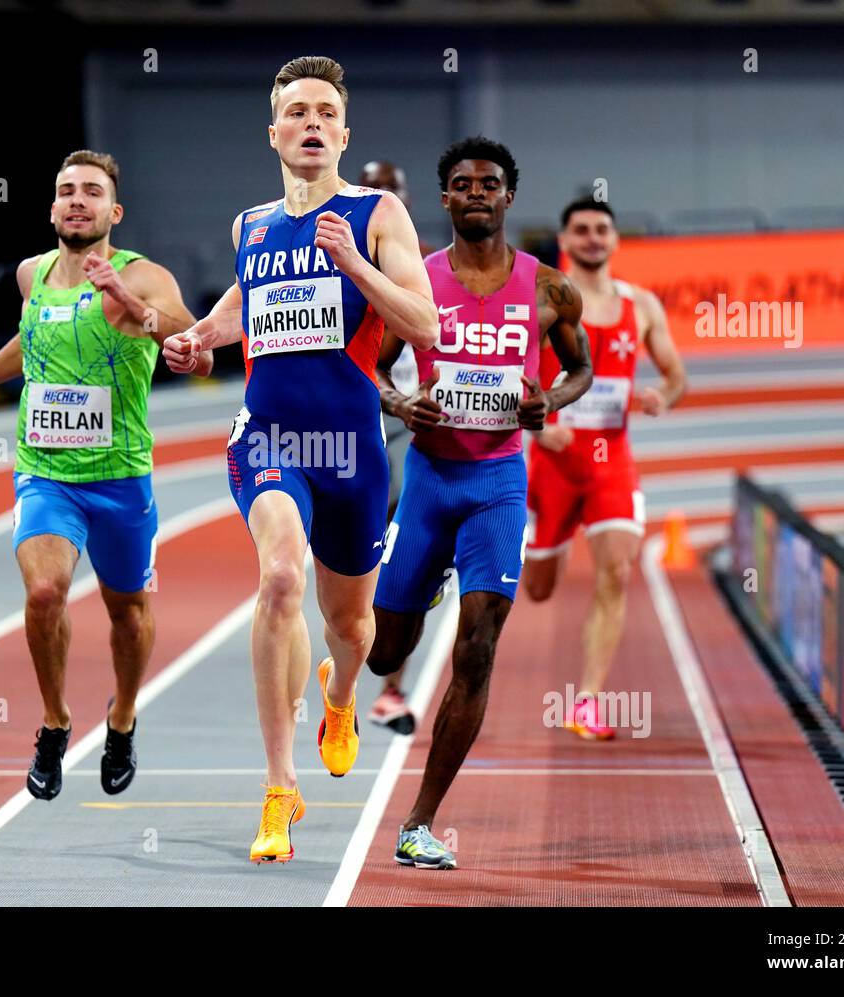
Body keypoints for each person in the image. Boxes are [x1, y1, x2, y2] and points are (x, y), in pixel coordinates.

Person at [163, 56, 437, 864]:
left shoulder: (376, 210)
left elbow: (423, 323)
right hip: (271, 437)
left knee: (351, 625)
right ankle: (280, 787)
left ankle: (342, 696)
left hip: (351, 448)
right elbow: (241, 307)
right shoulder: (253, 225)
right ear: (275, 132)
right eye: (298, 112)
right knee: (279, 576)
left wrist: (353, 262)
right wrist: (196, 339)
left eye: (326, 112)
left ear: (344, 134)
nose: (312, 122)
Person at [0, 150, 197, 798]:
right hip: (45, 472)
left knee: (128, 612)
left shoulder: (144, 274)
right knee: (45, 592)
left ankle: (123, 717)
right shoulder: (33, 274)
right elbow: (32, 341)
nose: (77, 200)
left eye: (91, 192)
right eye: (67, 191)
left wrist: (129, 304)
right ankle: (54, 721)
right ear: (53, 208)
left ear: (115, 211)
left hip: (121, 477)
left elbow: (189, 338)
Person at [366, 138, 592, 869]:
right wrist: (400, 403)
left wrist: (549, 401)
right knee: (383, 657)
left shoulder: (550, 288)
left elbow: (581, 367)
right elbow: (366, 366)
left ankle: (419, 820)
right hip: (430, 481)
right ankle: (421, 585)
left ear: (508, 197)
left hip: (499, 484)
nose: (475, 193)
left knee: (479, 647)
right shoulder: (417, 280)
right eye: (461, 184)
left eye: (488, 184)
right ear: (445, 199)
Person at [523, 197, 687, 739]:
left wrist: (663, 395)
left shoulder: (641, 306)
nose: (593, 238)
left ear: (615, 240)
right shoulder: (542, 299)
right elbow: (505, 369)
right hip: (551, 464)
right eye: (582, 230)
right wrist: (541, 425)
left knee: (617, 569)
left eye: (602, 229)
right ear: (565, 241)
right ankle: (544, 544)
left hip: (611, 462)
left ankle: (587, 702)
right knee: (540, 587)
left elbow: (675, 375)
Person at [357, 159, 433, 737]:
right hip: (351, 422)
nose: (384, 197)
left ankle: (389, 690)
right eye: (374, 188)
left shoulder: (427, 260)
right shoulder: (334, 254)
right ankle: (347, 680)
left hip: (409, 423)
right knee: (351, 558)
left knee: (403, 542)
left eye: (393, 189)